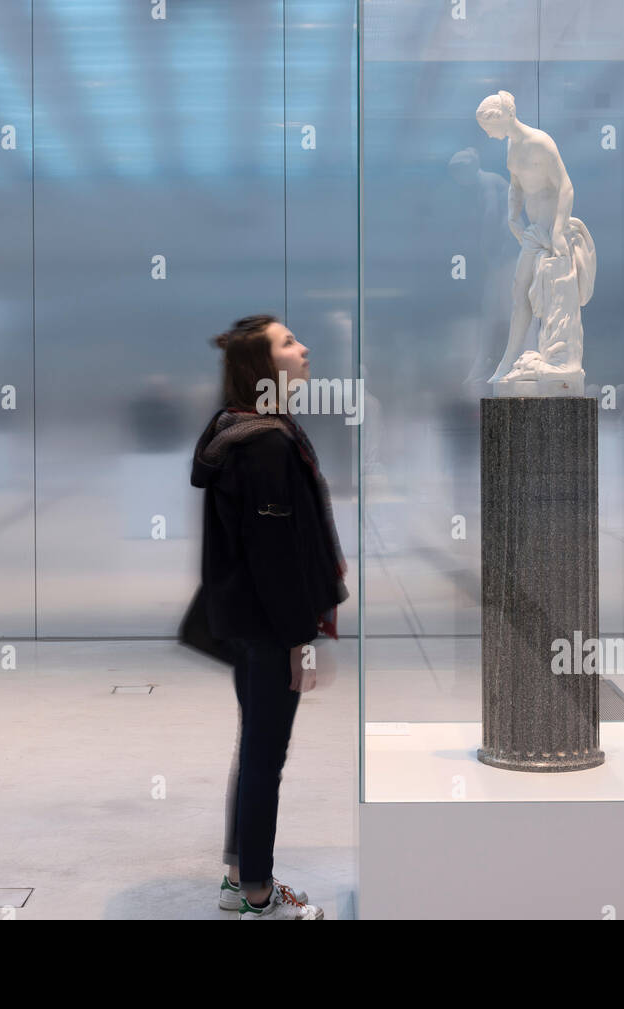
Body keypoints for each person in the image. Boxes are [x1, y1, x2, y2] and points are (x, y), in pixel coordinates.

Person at [190, 314, 349, 920]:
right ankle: (257, 892)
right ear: (263, 367)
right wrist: (298, 640)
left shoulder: (243, 430)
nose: (303, 348)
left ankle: (239, 878)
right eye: (288, 343)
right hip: (266, 627)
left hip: (248, 623)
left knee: (255, 748)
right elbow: (275, 557)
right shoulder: (266, 444)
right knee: (265, 757)